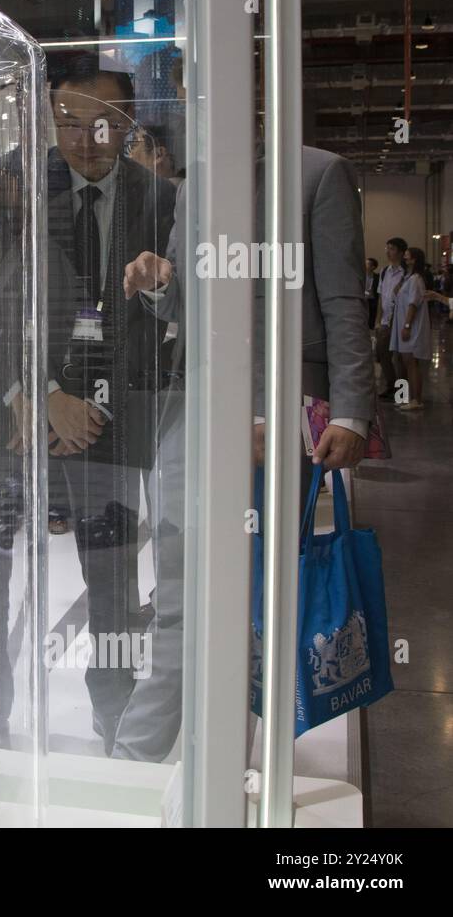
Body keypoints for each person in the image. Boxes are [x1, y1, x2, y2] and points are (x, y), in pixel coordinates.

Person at [120, 144, 373, 762]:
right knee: (180, 590)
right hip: (196, 409)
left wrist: (349, 412)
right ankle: (142, 756)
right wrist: (158, 281)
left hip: (279, 415)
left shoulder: (318, 174)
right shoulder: (194, 185)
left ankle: (240, 759)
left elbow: (341, 301)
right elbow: (187, 307)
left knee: (261, 594)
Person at [23, 52, 177, 754]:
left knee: (138, 575)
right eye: (67, 123)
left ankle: (123, 719)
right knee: (83, 576)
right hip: (43, 419)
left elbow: (190, 313)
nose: (85, 141)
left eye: (102, 127)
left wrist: (161, 283)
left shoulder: (164, 201)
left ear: (129, 125)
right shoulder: (17, 192)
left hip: (141, 417)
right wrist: (45, 397)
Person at [392, 246, 433, 411]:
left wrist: (407, 325)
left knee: (411, 362)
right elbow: (398, 295)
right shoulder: (408, 278)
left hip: (411, 326)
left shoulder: (416, 279)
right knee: (405, 361)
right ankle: (404, 397)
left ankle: (416, 399)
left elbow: (413, 304)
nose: (405, 259)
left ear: (414, 259)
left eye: (407, 257)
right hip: (403, 323)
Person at [375, 237, 408, 402]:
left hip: (400, 320)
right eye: (387, 248)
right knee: (383, 354)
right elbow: (381, 297)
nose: (388, 251)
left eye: (392, 249)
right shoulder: (384, 271)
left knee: (401, 359)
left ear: (401, 253)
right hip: (386, 321)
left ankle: (402, 393)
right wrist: (378, 320)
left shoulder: (406, 273)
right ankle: (390, 386)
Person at [364, 256, 381, 328]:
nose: (365, 265)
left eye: (367, 264)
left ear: (373, 267)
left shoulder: (378, 277)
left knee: (371, 320)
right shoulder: (361, 276)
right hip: (363, 300)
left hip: (373, 301)